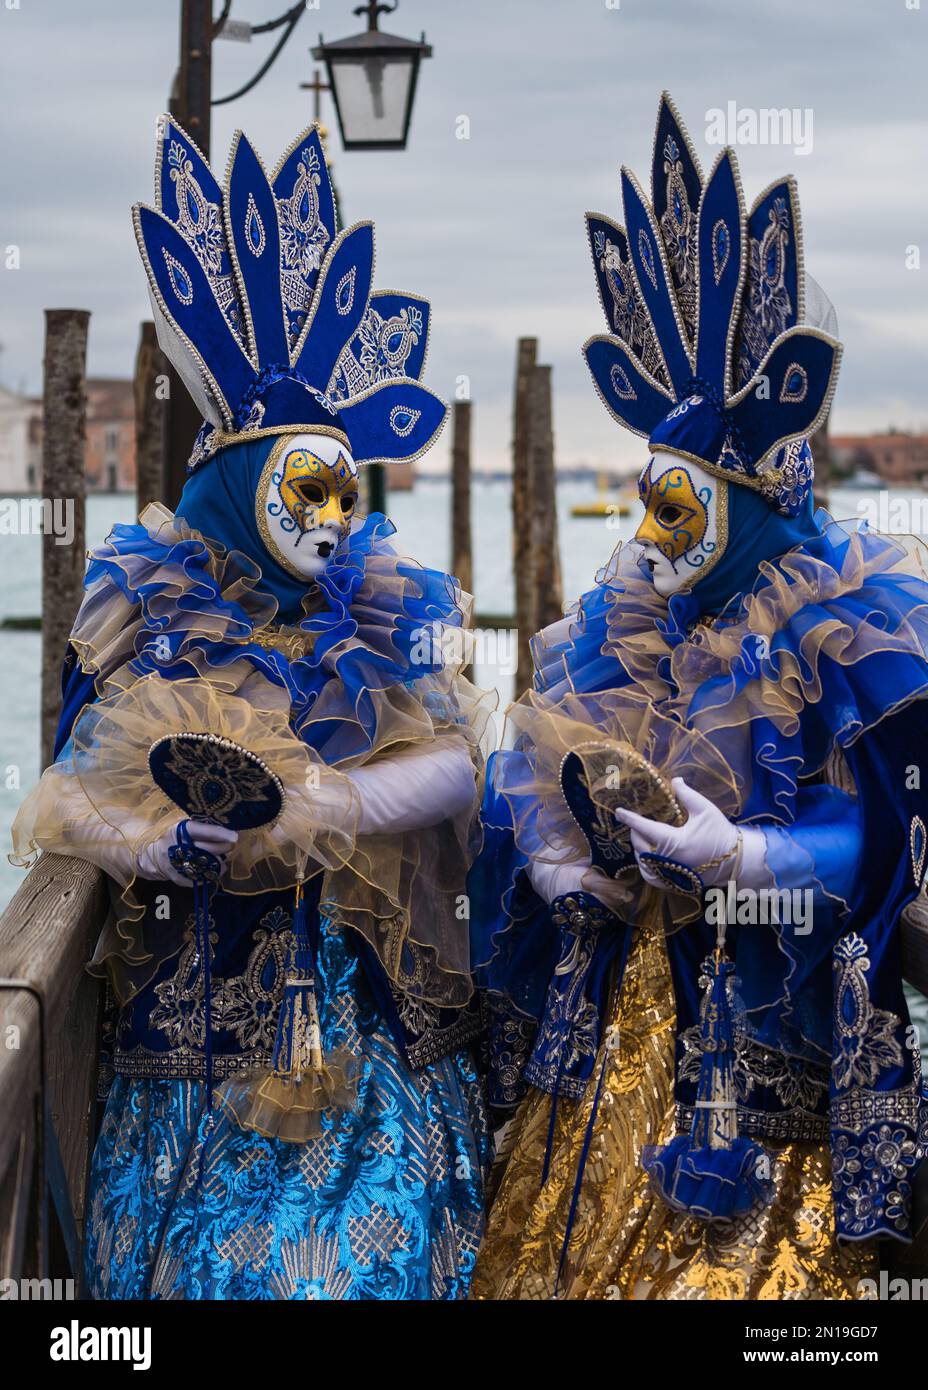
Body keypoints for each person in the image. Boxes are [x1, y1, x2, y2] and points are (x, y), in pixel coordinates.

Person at [12, 118, 492, 1301]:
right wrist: (155, 843)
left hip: (354, 1019)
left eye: (344, 487)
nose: (331, 515)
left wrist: (329, 799)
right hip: (190, 1019)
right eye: (304, 485)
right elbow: (70, 794)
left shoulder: (379, 615)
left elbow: (460, 767)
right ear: (239, 484)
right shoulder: (153, 614)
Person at [469, 91, 928, 1300]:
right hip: (627, 1041)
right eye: (645, 502)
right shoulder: (623, 630)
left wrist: (750, 858)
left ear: (745, 502)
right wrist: (565, 857)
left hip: (769, 1068)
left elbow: (887, 841)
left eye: (676, 509)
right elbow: (530, 771)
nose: (648, 539)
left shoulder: (851, 624)